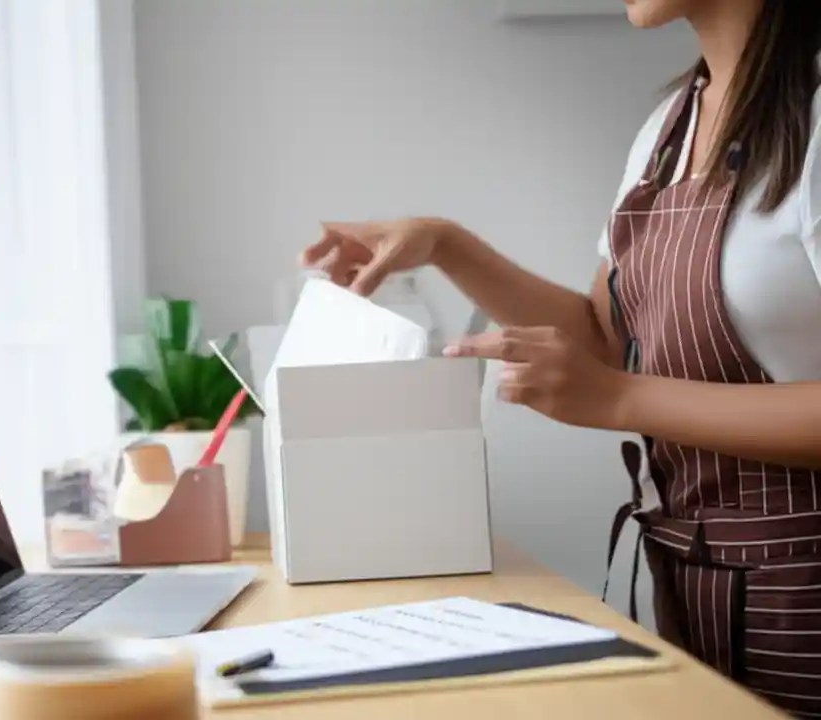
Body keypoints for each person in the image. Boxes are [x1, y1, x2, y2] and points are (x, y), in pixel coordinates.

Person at [301, 0, 821, 714]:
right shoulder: (668, 130)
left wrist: (618, 398)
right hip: (693, 586)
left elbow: (615, 378)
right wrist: (447, 246)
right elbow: (608, 337)